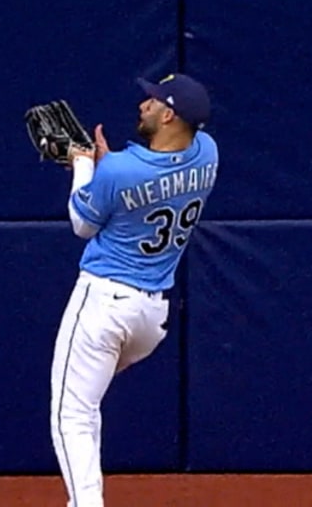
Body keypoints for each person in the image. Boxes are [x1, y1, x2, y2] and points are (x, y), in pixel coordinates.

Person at [48, 73, 220, 507]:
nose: (143, 105)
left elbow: (83, 224)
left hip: (104, 304)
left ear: (168, 115)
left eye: (153, 101)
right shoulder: (208, 153)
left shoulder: (121, 170)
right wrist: (108, 169)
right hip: (151, 320)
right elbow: (142, 179)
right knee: (86, 404)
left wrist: (84, 164)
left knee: (72, 414)